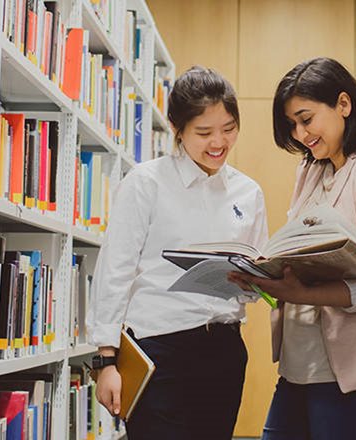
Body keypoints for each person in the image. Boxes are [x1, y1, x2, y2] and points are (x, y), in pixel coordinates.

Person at [228, 57, 356, 440]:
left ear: (344, 105)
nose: (300, 133)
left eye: (306, 119)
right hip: (300, 368)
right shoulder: (311, 169)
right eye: (292, 125)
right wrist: (266, 277)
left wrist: (304, 292)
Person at [87, 66, 267, 440]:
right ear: (176, 128)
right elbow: (114, 271)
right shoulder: (145, 183)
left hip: (224, 349)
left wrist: (257, 280)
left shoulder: (248, 192)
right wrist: (106, 361)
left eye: (229, 128)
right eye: (204, 132)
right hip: (159, 351)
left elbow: (257, 273)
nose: (219, 142)